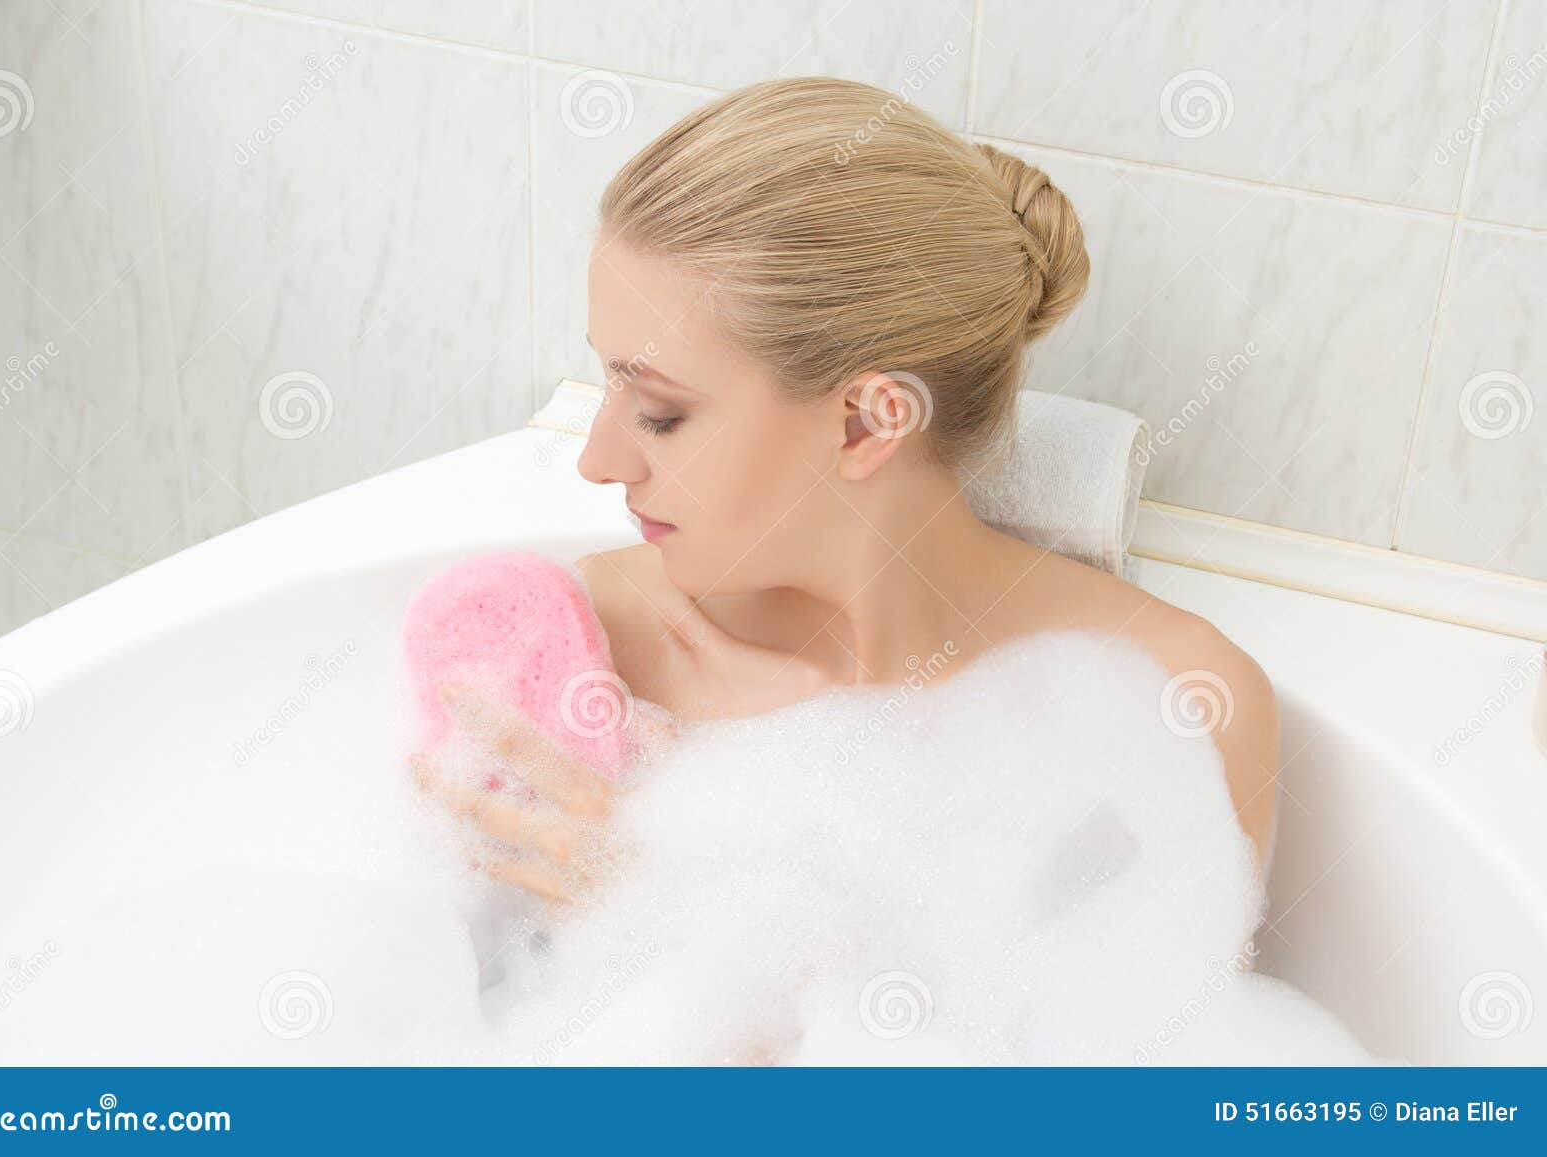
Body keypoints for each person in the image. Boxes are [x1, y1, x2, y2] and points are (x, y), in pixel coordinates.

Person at [421, 76, 1278, 930]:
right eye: (604, 384)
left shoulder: (1173, 712)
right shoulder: (570, 661)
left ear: (871, 422)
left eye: (660, 413)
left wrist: (679, 929)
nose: (597, 462)